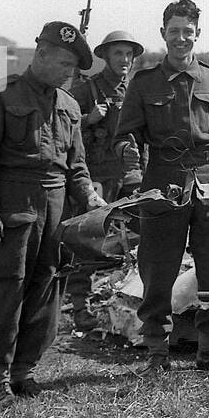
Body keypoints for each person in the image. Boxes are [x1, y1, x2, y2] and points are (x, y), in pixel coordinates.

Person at [0, 21, 107, 406]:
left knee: (46, 290)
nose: (68, 74)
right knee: (5, 290)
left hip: (56, 211)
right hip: (13, 209)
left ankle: (24, 371)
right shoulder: (0, 94)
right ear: (40, 54)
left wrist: (90, 198)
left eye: (73, 69)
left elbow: (76, 167)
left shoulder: (71, 106)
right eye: (63, 64)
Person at [113, 0, 209, 373]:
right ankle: (157, 353)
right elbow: (124, 136)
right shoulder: (143, 83)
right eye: (174, 32)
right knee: (157, 271)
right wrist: (131, 164)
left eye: (188, 32)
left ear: (198, 34)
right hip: (162, 185)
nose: (181, 39)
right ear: (163, 34)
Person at [64, 29, 145, 330]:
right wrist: (89, 119)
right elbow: (64, 127)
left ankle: (132, 298)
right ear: (105, 57)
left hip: (131, 175)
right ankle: (80, 307)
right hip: (98, 175)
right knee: (88, 240)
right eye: (118, 54)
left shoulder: (136, 88)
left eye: (128, 54)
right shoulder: (88, 90)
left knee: (141, 235)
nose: (124, 60)